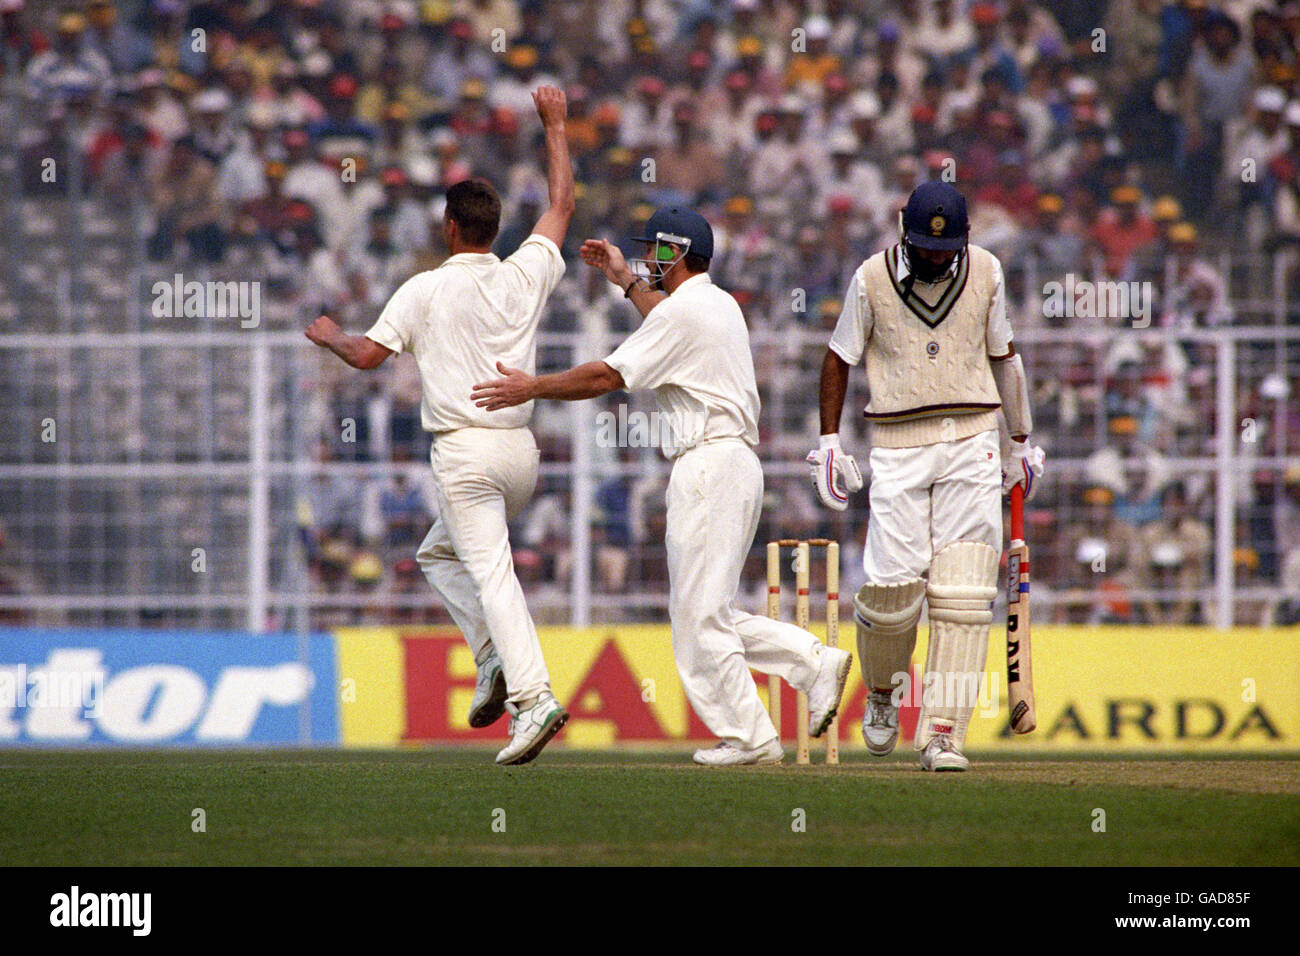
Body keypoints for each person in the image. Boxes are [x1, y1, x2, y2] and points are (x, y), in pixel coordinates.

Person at [471, 206, 853, 767]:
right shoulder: (716, 305)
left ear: (675, 253)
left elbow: (606, 376)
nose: (649, 258)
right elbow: (664, 322)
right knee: (707, 614)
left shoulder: (688, 313)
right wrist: (625, 280)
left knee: (698, 618)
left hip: (707, 467)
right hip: (732, 465)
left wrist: (531, 388)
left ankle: (755, 733)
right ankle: (808, 668)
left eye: (655, 250)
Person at [304, 86, 575, 767]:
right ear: (492, 227)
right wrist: (555, 125)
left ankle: (534, 698)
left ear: (449, 228)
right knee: (437, 555)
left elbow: (369, 357)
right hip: (522, 453)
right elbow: (562, 204)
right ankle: (491, 660)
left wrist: (334, 335)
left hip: (464, 455)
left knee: (492, 575)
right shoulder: (523, 275)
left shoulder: (423, 288)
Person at [809, 181, 1044, 771]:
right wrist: (830, 442)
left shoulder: (987, 271)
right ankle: (884, 693)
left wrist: (1020, 440)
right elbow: (839, 357)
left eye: (946, 248)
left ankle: (943, 732)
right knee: (891, 593)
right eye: (924, 246)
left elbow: (1004, 356)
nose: (936, 257)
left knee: (964, 592)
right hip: (896, 441)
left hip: (972, 437)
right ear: (901, 231)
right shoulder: (870, 277)